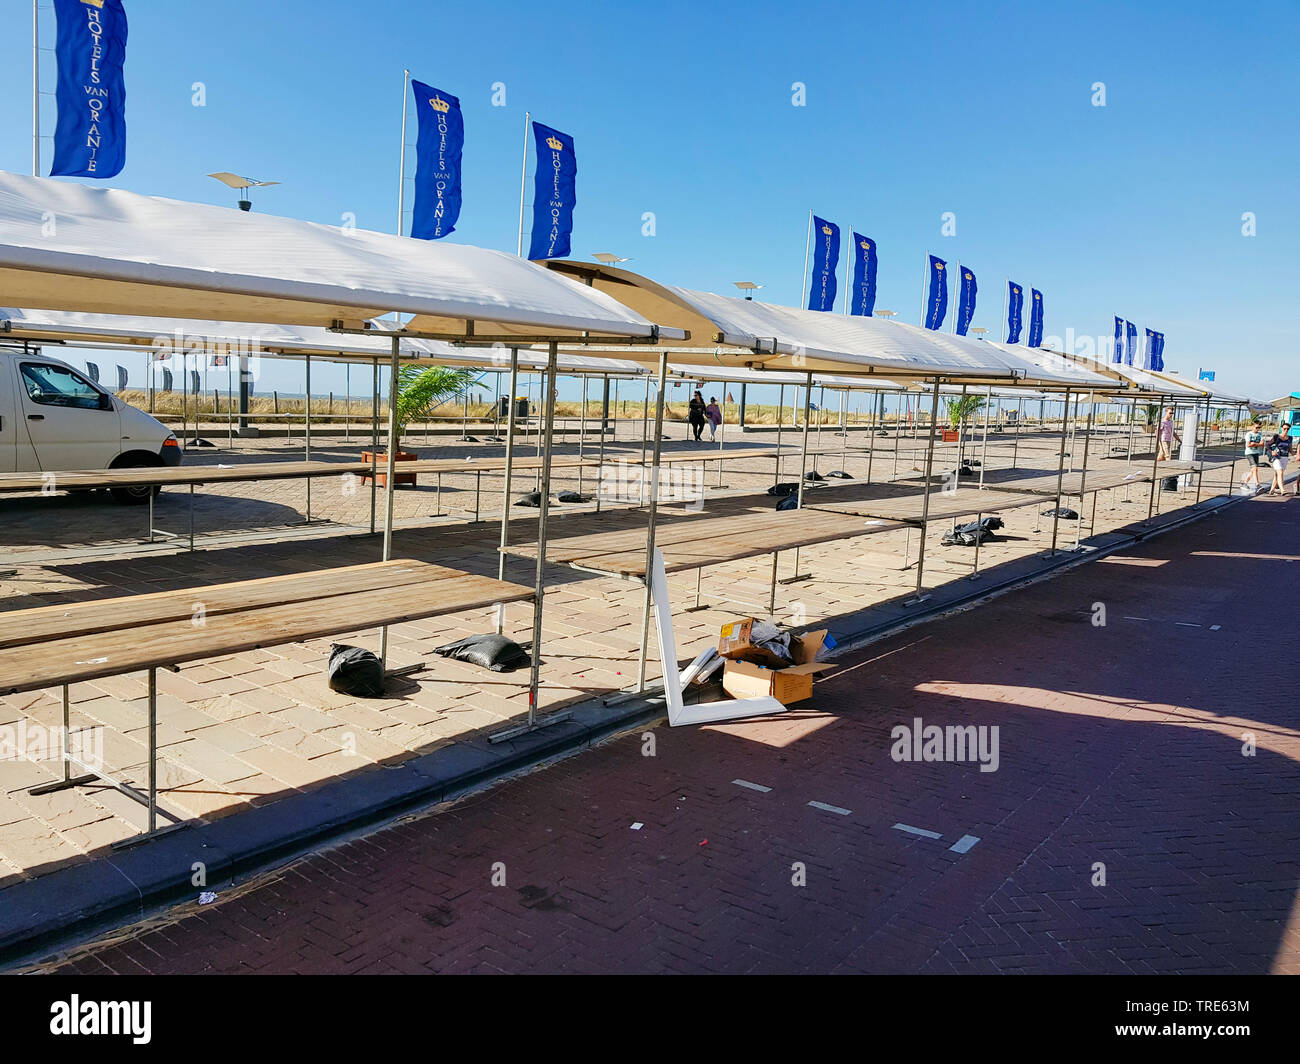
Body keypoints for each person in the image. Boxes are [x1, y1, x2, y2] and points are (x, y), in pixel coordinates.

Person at [1264, 422, 1292, 496]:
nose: (1286, 430)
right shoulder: (1277, 436)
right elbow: (1267, 444)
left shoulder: (1290, 438)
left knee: (1277, 474)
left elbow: (1290, 448)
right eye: (1284, 429)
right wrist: (1272, 451)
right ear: (1281, 429)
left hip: (1285, 457)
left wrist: (1295, 455)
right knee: (1280, 473)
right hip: (1277, 457)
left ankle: (1272, 489)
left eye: (1287, 429)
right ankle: (1282, 490)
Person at [1242, 420, 1265, 492]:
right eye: (1256, 427)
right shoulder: (1249, 434)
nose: (1257, 429)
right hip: (1249, 453)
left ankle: (1245, 483)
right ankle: (1257, 484)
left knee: (1253, 470)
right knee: (1255, 468)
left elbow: (1262, 444)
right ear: (1253, 426)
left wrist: (1254, 443)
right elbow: (1248, 445)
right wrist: (1257, 444)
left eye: (1259, 428)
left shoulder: (1260, 434)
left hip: (1256, 453)